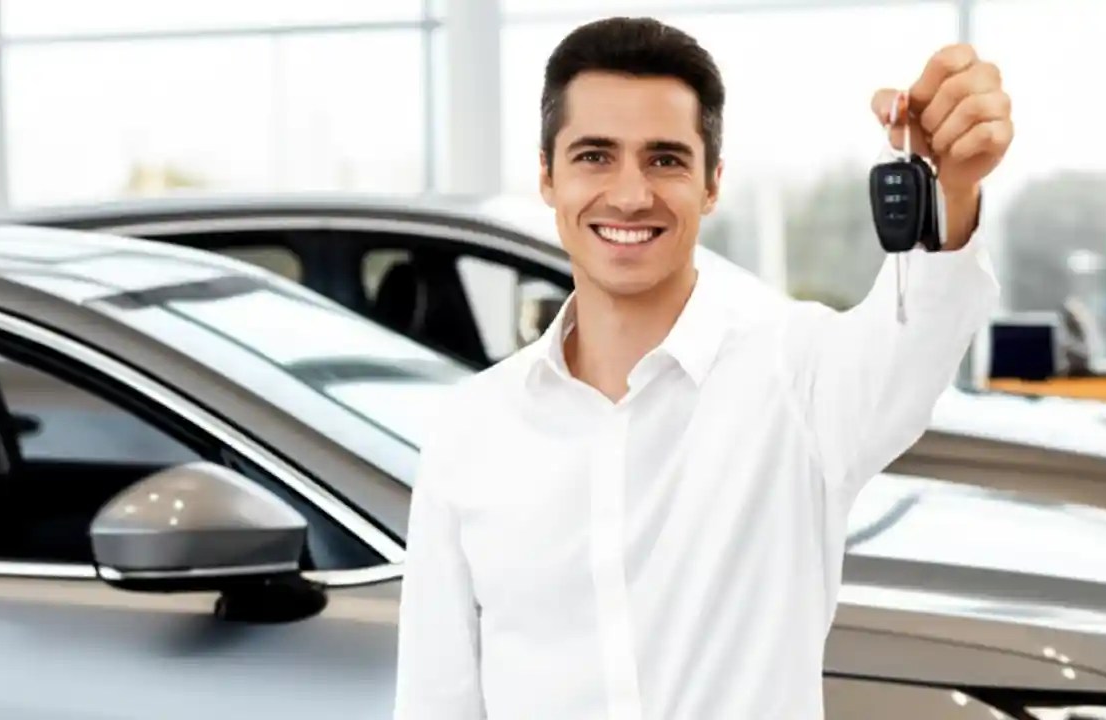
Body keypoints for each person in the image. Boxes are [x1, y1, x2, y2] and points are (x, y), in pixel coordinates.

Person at [394, 15, 1010, 720]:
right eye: (595, 156)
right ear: (547, 177)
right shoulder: (472, 429)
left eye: (665, 160)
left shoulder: (798, 376)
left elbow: (923, 325)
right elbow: (436, 701)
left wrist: (951, 189)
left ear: (712, 183)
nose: (631, 195)